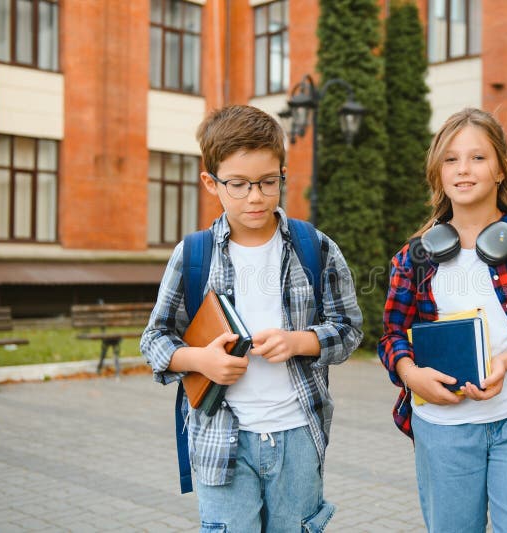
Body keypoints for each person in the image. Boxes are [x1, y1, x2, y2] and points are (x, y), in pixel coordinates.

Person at [141, 105, 363, 532]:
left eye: (267, 182)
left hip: (299, 436)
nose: (255, 197)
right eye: (238, 185)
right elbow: (154, 338)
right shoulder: (193, 255)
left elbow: (349, 328)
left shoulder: (314, 248)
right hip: (219, 441)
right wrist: (200, 361)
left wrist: (301, 342)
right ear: (211, 182)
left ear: (283, 174)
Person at [377, 108, 507, 533]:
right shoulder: (414, 257)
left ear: (500, 169)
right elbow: (392, 335)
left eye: (478, 157)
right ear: (438, 172)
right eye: (451, 159)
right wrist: (409, 373)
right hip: (443, 428)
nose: (463, 170)